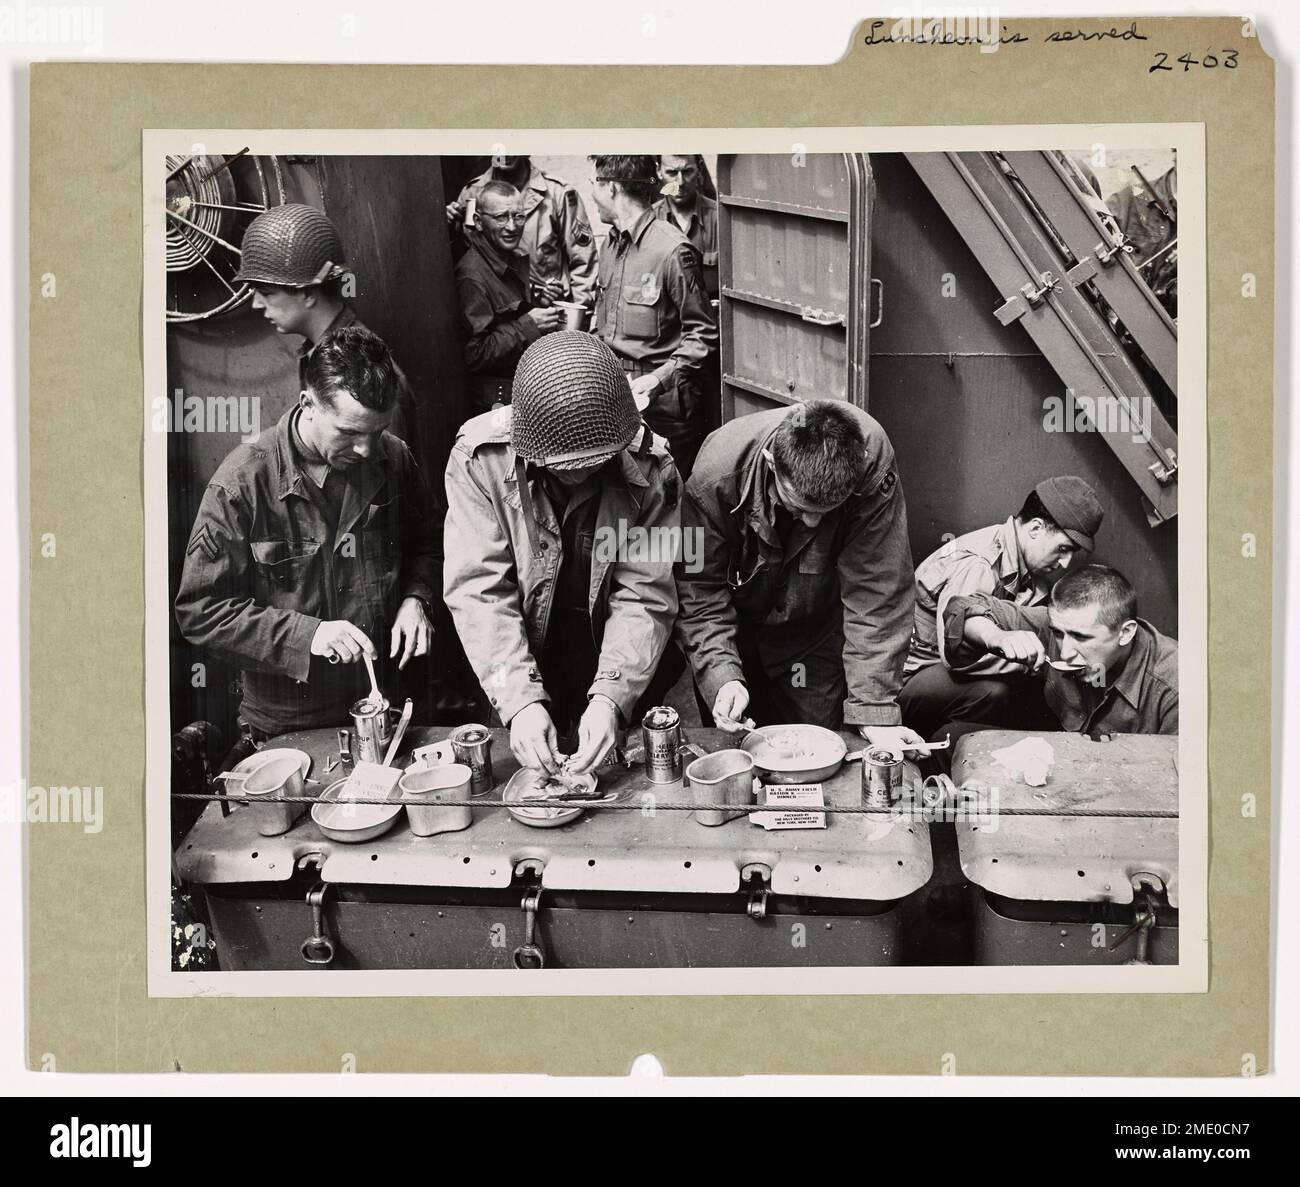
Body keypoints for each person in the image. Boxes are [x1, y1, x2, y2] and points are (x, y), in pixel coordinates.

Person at [175, 326, 442, 739]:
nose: (368, 450)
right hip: (291, 722)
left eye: (376, 431)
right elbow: (200, 612)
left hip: (388, 704)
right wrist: (309, 635)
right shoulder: (242, 484)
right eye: (350, 433)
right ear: (308, 404)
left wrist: (416, 598)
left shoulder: (395, 458)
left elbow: (427, 542)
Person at [443, 332, 681, 776]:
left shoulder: (655, 468)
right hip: (520, 651)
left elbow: (646, 594)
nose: (584, 474)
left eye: (597, 461)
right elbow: (479, 589)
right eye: (566, 467)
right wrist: (519, 701)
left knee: (621, 780)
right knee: (528, 774)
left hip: (613, 650)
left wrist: (612, 696)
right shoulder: (480, 460)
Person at [675, 399, 921, 755]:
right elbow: (698, 588)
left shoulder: (871, 464)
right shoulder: (713, 476)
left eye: (826, 514)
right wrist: (721, 675)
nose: (812, 524)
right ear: (771, 462)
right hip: (734, 633)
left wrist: (874, 711)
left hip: (813, 639)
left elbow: (878, 591)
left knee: (820, 750)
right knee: (737, 752)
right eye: (799, 508)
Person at [898, 476, 1104, 739]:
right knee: (998, 693)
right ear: (1036, 529)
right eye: (1063, 549)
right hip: (908, 681)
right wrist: (1036, 665)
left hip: (935, 672)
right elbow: (957, 657)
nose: (1066, 563)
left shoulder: (1017, 556)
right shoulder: (979, 565)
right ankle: (941, 752)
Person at [932, 564, 1178, 767]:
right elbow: (962, 607)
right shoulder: (1058, 625)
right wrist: (996, 637)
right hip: (1063, 752)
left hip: (1126, 781)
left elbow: (1179, 786)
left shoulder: (1176, 683)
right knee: (951, 741)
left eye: (1081, 638)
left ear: (1125, 633)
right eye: (1058, 634)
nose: (1066, 651)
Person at [235, 202, 416, 442]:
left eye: (266, 293)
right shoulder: (325, 354)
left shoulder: (359, 372)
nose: (256, 303)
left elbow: (381, 470)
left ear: (309, 293)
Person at [589, 153, 718, 478]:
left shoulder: (673, 250)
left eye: (595, 185)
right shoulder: (611, 246)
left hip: (666, 412)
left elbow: (703, 334)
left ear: (613, 188)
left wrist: (658, 380)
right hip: (618, 399)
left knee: (673, 502)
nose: (593, 194)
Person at [454, 180, 563, 412]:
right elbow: (474, 355)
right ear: (478, 222)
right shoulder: (472, 275)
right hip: (495, 404)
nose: (512, 227)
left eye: (519, 216)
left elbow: (507, 314)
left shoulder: (508, 258)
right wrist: (530, 324)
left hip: (520, 392)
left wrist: (538, 303)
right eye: (501, 217)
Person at [447, 156, 598, 309]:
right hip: (499, 312)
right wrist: (450, 228)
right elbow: (468, 256)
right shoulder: (472, 194)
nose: (505, 154)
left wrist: (576, 318)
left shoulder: (556, 193)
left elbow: (584, 262)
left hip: (549, 310)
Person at [654, 154, 719, 300]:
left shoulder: (720, 219)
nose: (680, 182)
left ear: (699, 169)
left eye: (687, 171)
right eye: (671, 173)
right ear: (659, 171)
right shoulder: (649, 221)